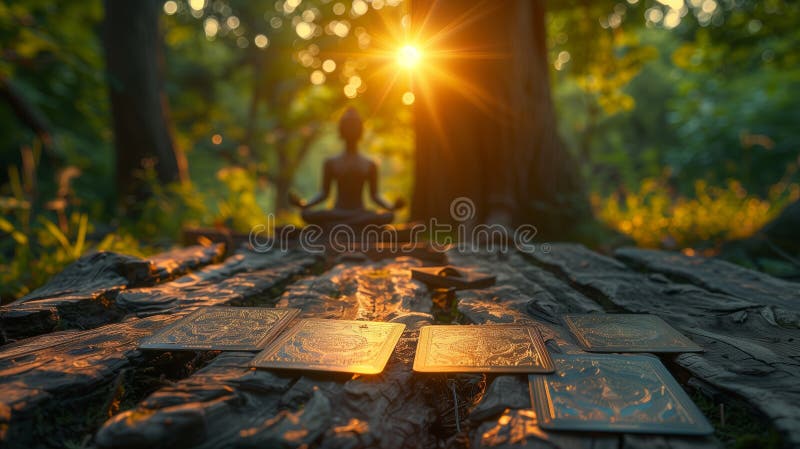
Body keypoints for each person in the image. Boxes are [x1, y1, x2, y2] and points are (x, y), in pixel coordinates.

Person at [290, 107, 405, 227]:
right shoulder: (331, 162)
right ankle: (352, 225)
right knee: (307, 214)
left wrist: (391, 207)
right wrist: (305, 205)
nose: (351, 130)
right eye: (347, 126)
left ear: (360, 130)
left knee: (388, 216)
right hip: (337, 212)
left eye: (354, 126)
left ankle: (339, 225)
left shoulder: (370, 164)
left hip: (360, 212)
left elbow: (374, 195)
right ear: (341, 130)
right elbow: (324, 193)